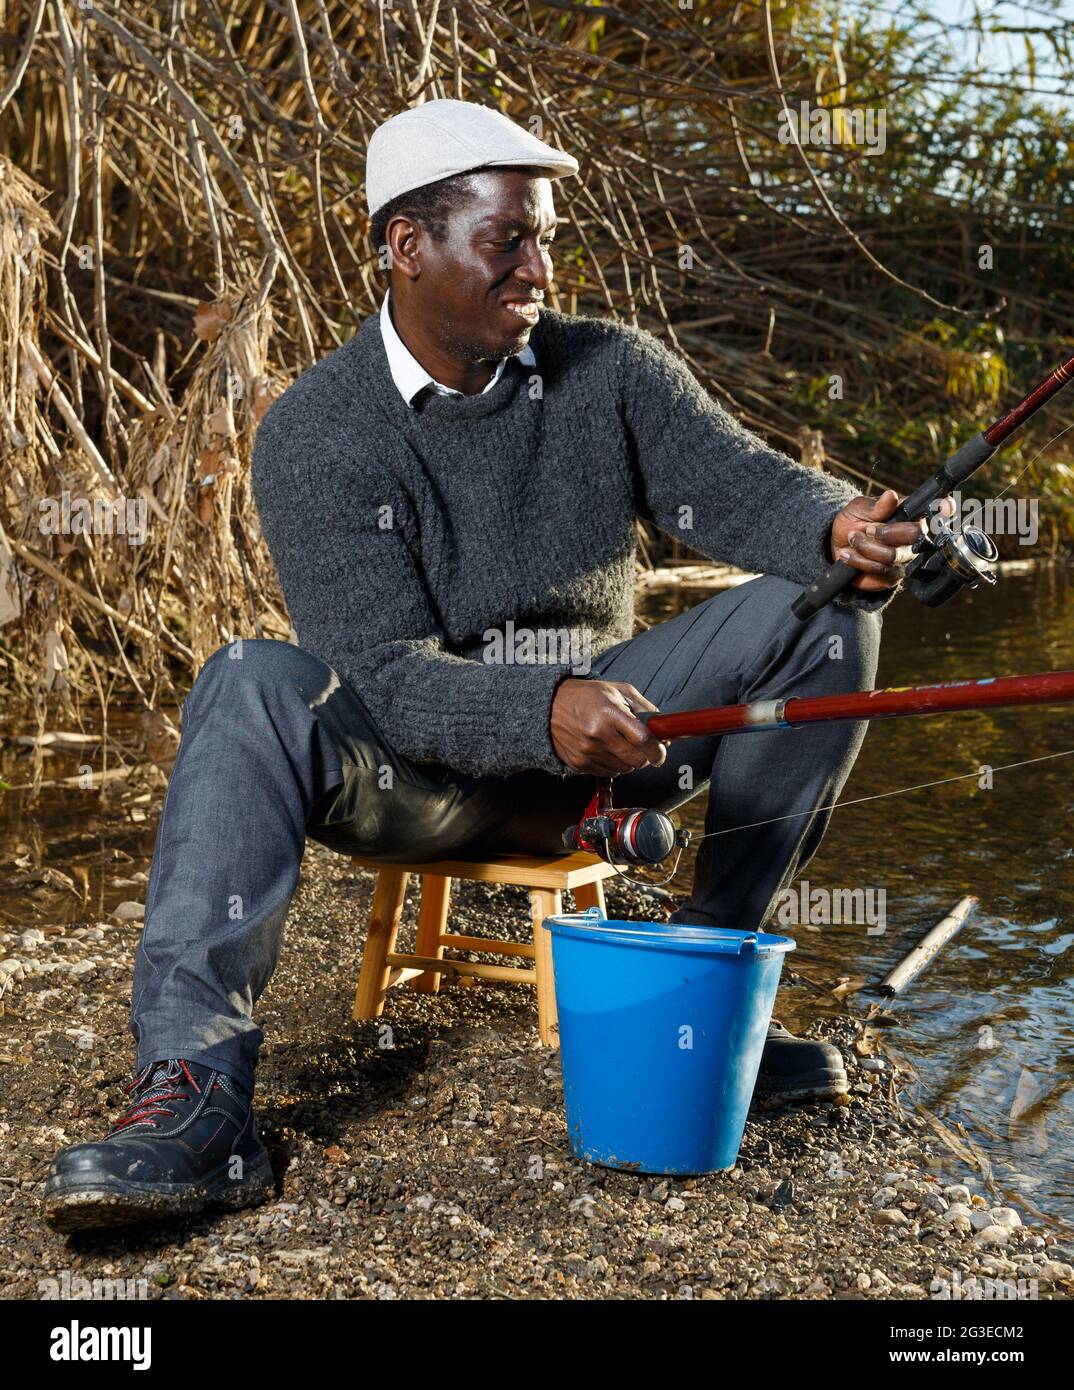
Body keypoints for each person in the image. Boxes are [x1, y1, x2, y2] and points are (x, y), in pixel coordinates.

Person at [44, 99, 929, 1233]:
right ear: (408, 247)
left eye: (545, 236)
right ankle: (196, 1098)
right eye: (507, 239)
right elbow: (387, 674)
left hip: (615, 748)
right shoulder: (318, 429)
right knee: (250, 679)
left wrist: (837, 529)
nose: (539, 267)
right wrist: (539, 703)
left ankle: (706, 1007)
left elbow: (743, 487)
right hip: (426, 779)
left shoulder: (610, 370)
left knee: (826, 616)